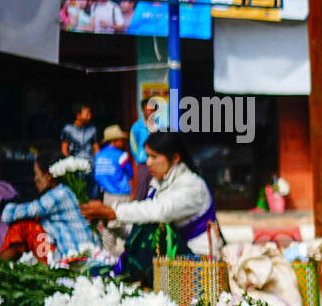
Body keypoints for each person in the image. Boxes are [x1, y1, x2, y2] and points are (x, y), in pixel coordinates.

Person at [79, 131, 219, 287]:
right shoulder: (160, 182)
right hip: (175, 255)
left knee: (155, 225)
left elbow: (160, 211)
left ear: (175, 158)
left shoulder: (192, 185)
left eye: (154, 157)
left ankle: (124, 274)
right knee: (144, 222)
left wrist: (113, 212)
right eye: (147, 156)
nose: (148, 163)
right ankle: (127, 272)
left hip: (199, 260)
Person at [0, 145, 95, 264]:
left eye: (37, 175)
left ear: (48, 177)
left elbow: (27, 211)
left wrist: (4, 208)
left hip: (74, 258)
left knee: (23, 226)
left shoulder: (59, 194)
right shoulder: (67, 191)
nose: (34, 179)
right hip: (77, 254)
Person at [92, 124, 135, 256]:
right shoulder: (122, 156)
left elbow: (97, 176)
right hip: (121, 196)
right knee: (124, 225)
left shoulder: (99, 155)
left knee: (108, 227)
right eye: (121, 140)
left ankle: (108, 255)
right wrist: (132, 194)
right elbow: (130, 174)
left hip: (106, 196)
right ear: (115, 141)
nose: (123, 142)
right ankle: (127, 255)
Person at [129, 95, 167, 200]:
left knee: (157, 186)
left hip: (158, 160)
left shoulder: (161, 126)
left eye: (152, 110)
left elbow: (164, 141)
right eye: (147, 110)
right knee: (142, 186)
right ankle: (139, 209)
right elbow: (133, 144)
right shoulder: (137, 126)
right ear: (143, 110)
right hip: (143, 162)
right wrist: (138, 156)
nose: (149, 112)